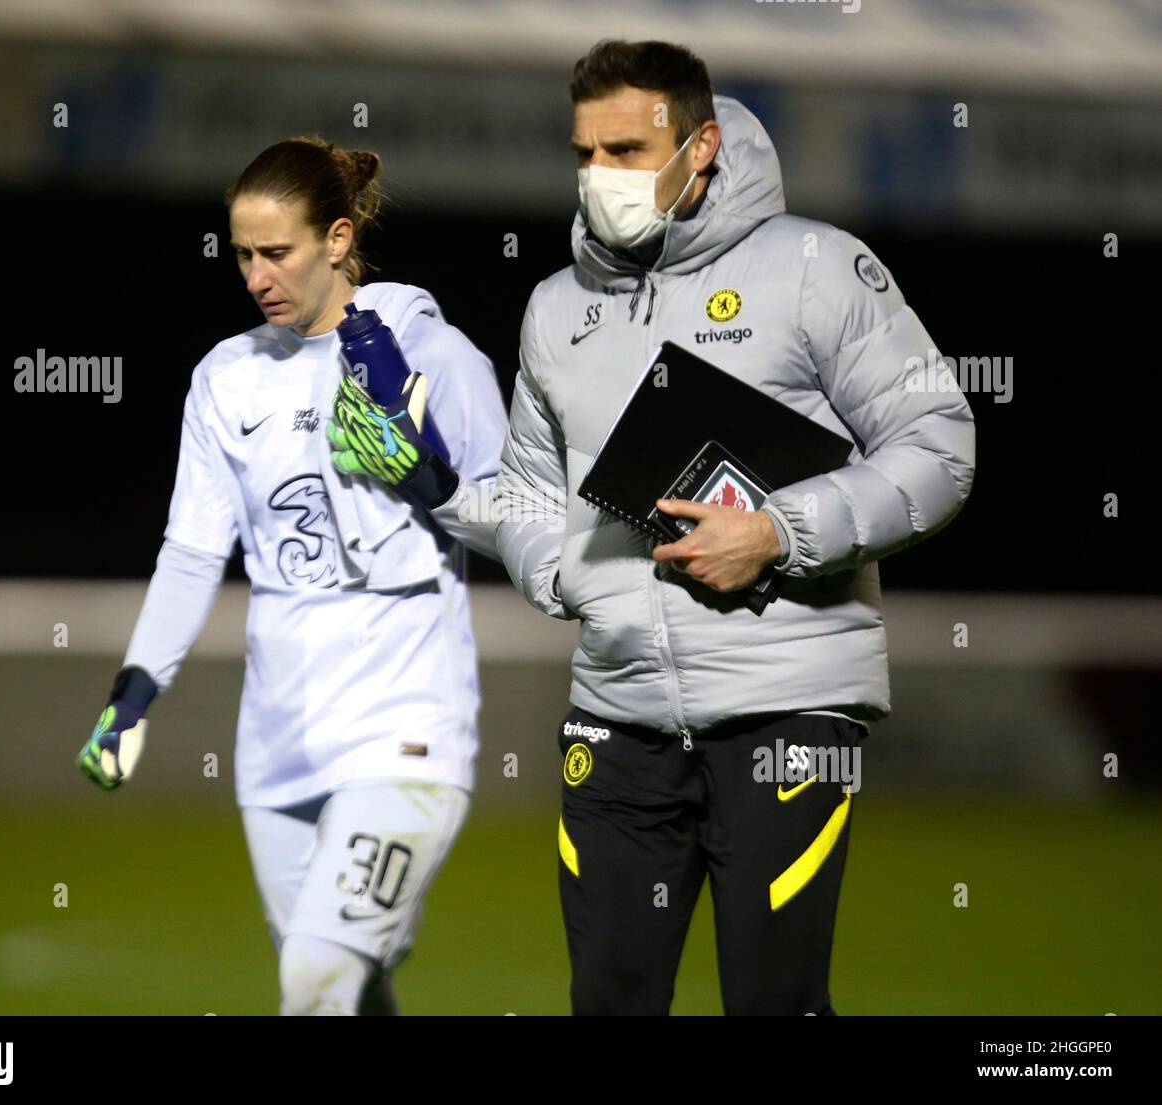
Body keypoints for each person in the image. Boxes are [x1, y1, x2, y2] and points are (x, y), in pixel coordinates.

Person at [495, 40, 976, 1015]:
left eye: (627, 149)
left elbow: (939, 447)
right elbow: (524, 495)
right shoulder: (554, 308)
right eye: (584, 153)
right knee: (609, 1001)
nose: (601, 177)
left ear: (701, 143)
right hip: (615, 713)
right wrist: (561, 578)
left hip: (787, 707)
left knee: (774, 999)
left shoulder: (816, 267)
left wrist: (780, 530)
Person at [75, 136, 506, 1015]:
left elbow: (525, 527)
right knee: (348, 980)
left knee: (314, 976)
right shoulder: (226, 379)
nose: (256, 274)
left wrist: (430, 478)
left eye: (278, 251)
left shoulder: (434, 356)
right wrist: (133, 693)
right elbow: (194, 551)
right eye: (242, 254)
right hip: (278, 742)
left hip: (405, 724)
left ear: (338, 240)